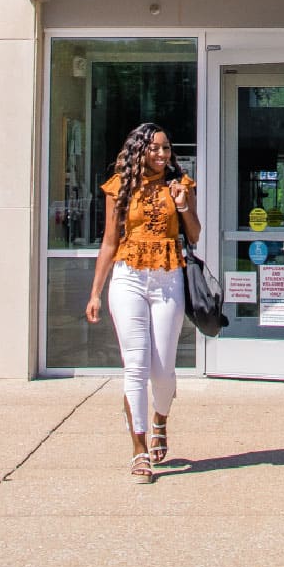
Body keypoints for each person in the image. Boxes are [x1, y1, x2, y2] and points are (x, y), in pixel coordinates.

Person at [85, 122, 199, 483]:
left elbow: (195, 234)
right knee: (135, 364)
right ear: (139, 150)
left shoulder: (179, 184)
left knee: (162, 368)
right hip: (128, 275)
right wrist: (95, 292)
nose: (163, 155)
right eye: (155, 148)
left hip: (167, 276)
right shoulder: (119, 186)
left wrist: (182, 206)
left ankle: (160, 419)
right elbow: (108, 241)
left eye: (166, 149)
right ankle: (139, 448)